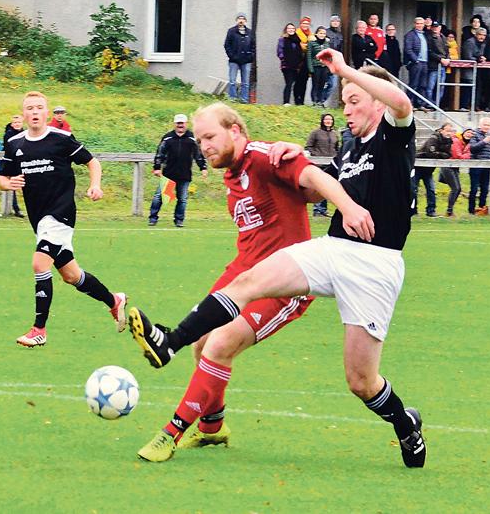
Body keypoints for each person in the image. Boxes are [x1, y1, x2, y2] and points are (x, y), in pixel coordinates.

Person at [128, 48, 427, 469]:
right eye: (342, 102)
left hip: (376, 264)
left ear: (376, 100)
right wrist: (291, 154)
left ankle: (404, 423)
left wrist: (344, 70)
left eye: (354, 100)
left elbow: (403, 103)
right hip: (333, 250)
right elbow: (309, 188)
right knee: (249, 281)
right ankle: (169, 342)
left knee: (360, 381)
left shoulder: (393, 136)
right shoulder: (348, 150)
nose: (346, 110)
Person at [136, 102, 352, 461]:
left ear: (235, 130)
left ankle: (170, 433)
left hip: (286, 282)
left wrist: (349, 208)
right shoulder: (232, 172)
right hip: (244, 272)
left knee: (220, 344)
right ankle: (212, 428)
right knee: (202, 342)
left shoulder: (265, 156)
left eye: (210, 136)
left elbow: (312, 179)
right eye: (200, 138)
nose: (203, 145)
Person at [0, 91, 127, 347]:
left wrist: (96, 186)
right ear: (23, 114)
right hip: (38, 219)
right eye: (29, 108)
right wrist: (8, 184)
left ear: (46, 113)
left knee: (39, 264)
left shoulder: (62, 139)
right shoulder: (14, 144)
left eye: (39, 107)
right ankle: (114, 301)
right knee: (71, 275)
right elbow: (2, 179)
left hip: (61, 212)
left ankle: (39, 329)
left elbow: (92, 162)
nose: (34, 112)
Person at [149, 114, 208, 227]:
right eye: (178, 123)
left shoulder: (192, 138)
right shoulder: (167, 138)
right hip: (168, 173)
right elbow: (159, 153)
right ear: (175, 124)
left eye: (182, 123)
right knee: (159, 197)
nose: (180, 125)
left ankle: (179, 220)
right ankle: (153, 218)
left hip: (184, 174)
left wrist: (203, 167)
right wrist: (157, 168)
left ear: (186, 124)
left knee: (182, 199)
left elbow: (198, 154)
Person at [414, 123, 454, 217]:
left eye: (450, 131)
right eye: (447, 130)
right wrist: (441, 154)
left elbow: (448, 155)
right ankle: (413, 210)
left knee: (431, 189)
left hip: (429, 170)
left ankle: (431, 211)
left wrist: (440, 154)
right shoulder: (434, 138)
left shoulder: (449, 141)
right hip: (418, 167)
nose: (449, 133)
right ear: (441, 130)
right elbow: (430, 152)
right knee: (414, 189)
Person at [304, 113, 340, 216]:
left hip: (331, 164)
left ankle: (324, 209)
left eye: (330, 120)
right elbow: (309, 146)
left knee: (329, 186)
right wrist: (316, 156)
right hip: (319, 164)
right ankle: (317, 209)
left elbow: (337, 148)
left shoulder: (335, 134)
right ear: (322, 121)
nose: (328, 121)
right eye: (326, 119)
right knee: (319, 186)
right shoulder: (316, 133)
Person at [224, 13, 255, 104]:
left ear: (245, 21)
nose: (241, 20)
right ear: (236, 20)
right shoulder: (231, 31)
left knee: (245, 82)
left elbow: (253, 45)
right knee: (232, 81)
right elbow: (227, 45)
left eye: (243, 19)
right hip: (234, 60)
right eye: (239, 18)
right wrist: (232, 56)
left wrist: (250, 56)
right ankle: (232, 98)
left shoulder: (250, 32)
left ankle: (244, 99)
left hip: (246, 61)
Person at [468, 117, 490, 215]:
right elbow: (472, 149)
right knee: (474, 188)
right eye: (485, 124)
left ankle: (481, 208)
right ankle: (471, 210)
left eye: (488, 125)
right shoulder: (474, 135)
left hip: (487, 166)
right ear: (480, 125)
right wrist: (484, 141)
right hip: (476, 165)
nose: (486, 127)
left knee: (485, 189)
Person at [3, 115, 26, 217]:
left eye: (19, 122)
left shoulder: (25, 133)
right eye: (15, 123)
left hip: (24, 162)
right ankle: (16, 208)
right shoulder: (8, 134)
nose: (17, 124)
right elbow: (9, 149)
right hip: (13, 163)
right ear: (12, 124)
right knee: (13, 184)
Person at [403, 17, 430, 108]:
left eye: (421, 23)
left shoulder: (425, 35)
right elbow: (408, 49)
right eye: (418, 23)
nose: (420, 25)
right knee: (413, 83)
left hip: (425, 62)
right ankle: (408, 103)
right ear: (414, 24)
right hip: (416, 63)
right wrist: (415, 60)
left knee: (423, 84)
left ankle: (420, 104)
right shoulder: (410, 35)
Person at [438, 125, 463, 217]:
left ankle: (450, 210)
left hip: (453, 166)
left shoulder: (459, 141)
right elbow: (457, 155)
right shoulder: (454, 141)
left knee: (457, 188)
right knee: (456, 188)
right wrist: (465, 156)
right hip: (449, 166)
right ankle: (449, 211)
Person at [460, 28, 488, 110]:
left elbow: (480, 54)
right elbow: (467, 56)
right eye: (480, 35)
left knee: (477, 87)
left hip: (477, 69)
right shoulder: (470, 42)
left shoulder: (483, 44)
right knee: (467, 87)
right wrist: (478, 59)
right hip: (468, 69)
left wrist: (482, 58)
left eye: (484, 35)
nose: (482, 37)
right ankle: (463, 106)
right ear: (476, 34)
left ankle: (474, 106)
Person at [277, 23, 303, 106]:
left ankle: (297, 101)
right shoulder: (283, 39)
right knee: (289, 82)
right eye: (289, 28)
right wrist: (283, 59)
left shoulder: (297, 39)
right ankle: (286, 101)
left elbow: (299, 52)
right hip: (286, 65)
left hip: (296, 66)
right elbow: (280, 51)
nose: (291, 30)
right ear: (286, 30)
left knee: (295, 83)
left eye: (292, 28)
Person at [307, 26, 331, 106]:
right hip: (315, 66)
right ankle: (314, 101)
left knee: (322, 84)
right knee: (315, 84)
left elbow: (329, 56)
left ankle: (320, 101)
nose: (322, 35)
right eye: (320, 33)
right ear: (316, 34)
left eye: (324, 33)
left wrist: (329, 66)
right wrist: (310, 68)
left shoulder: (327, 43)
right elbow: (309, 55)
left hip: (324, 67)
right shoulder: (312, 43)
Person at [294, 17, 313, 105]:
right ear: (300, 24)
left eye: (307, 24)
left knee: (304, 81)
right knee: (297, 81)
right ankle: (296, 100)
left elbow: (312, 46)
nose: (305, 25)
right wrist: (306, 46)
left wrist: (306, 46)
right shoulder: (297, 33)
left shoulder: (311, 35)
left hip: (307, 60)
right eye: (303, 23)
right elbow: (299, 45)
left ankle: (302, 100)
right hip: (298, 60)